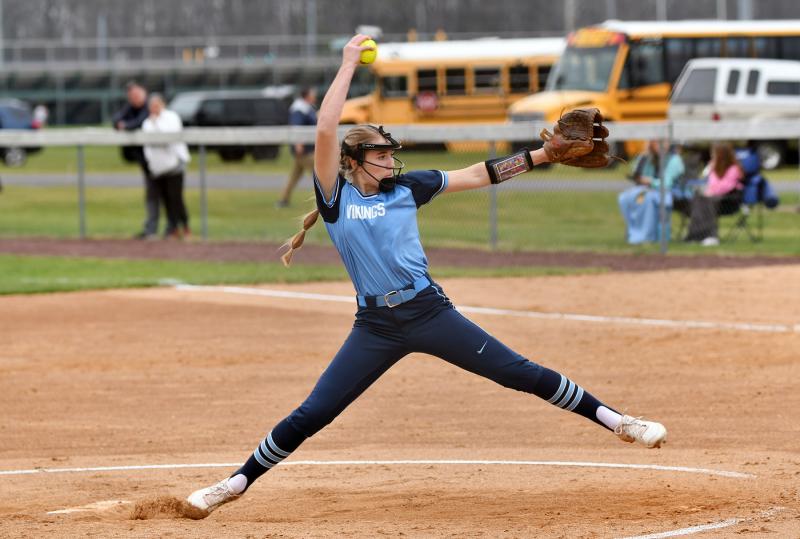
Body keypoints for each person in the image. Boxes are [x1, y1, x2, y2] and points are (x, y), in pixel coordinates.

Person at [185, 35, 668, 516]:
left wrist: (541, 156)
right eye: (380, 154)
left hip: (429, 311)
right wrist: (350, 62)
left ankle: (619, 421)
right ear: (353, 163)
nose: (391, 160)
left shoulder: (407, 187)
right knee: (314, 413)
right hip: (374, 327)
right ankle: (233, 485)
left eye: (390, 153)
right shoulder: (338, 199)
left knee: (517, 372)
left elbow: (480, 174)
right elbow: (326, 126)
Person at [112, 81, 158, 240]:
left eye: (137, 94)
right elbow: (116, 119)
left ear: (144, 92)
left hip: (165, 161)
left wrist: (125, 125)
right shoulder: (130, 107)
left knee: (170, 195)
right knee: (152, 194)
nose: (134, 98)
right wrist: (122, 124)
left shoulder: (151, 106)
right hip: (148, 160)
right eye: (131, 96)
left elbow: (140, 122)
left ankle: (174, 227)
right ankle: (151, 229)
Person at [141, 94, 191, 239]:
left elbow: (168, 137)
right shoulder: (147, 122)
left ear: (162, 104)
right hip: (157, 167)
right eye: (152, 105)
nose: (154, 108)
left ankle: (185, 225)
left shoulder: (171, 117)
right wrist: (150, 163)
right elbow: (147, 145)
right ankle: (172, 228)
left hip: (174, 164)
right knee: (165, 199)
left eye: (157, 105)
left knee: (176, 198)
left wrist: (156, 122)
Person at [618, 140, 684, 244]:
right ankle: (634, 232)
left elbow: (667, 184)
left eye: (664, 142)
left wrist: (650, 181)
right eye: (657, 142)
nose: (661, 145)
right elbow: (637, 173)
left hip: (668, 192)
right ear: (651, 144)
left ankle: (646, 236)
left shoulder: (674, 159)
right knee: (625, 198)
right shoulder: (647, 157)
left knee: (646, 198)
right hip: (647, 190)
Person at [684, 142, 743, 246]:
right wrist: (712, 169)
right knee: (698, 199)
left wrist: (712, 190)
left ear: (721, 155)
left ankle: (711, 236)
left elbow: (725, 187)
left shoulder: (734, 169)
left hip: (729, 201)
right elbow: (711, 184)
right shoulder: (714, 168)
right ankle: (695, 235)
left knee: (709, 200)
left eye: (714, 154)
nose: (712, 156)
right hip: (713, 197)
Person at [275, 87, 318, 208]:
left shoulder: (306, 107)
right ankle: (325, 200)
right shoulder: (299, 109)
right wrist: (299, 145)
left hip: (306, 149)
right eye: (312, 94)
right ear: (307, 95)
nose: (314, 96)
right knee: (319, 176)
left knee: (294, 177)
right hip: (305, 150)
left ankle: (283, 200)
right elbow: (296, 127)